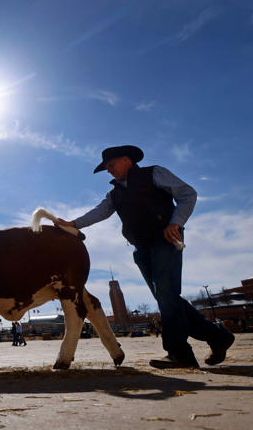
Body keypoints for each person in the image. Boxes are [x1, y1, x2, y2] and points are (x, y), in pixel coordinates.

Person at [55, 145, 234, 369]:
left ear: (126, 160)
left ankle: (179, 353)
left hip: (165, 239)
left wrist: (176, 223)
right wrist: (72, 224)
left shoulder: (154, 173)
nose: (109, 171)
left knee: (167, 295)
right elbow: (100, 212)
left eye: (111, 165)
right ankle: (218, 337)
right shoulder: (114, 194)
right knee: (166, 298)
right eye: (106, 168)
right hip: (142, 247)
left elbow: (187, 194)